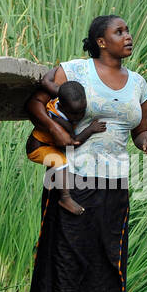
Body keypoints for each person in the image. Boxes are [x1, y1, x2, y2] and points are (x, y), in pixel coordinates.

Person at [22, 15, 147, 292]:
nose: (128, 36)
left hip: (115, 180)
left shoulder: (138, 84)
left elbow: (139, 130)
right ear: (101, 41)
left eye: (128, 31)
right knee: (66, 253)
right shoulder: (74, 71)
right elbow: (34, 103)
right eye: (119, 32)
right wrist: (55, 131)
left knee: (107, 256)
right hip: (70, 173)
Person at [25, 78, 107, 215]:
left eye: (82, 111)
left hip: (47, 144)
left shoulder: (62, 100)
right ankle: (65, 198)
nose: (79, 116)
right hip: (38, 148)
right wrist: (90, 129)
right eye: (74, 114)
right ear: (62, 107)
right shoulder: (60, 121)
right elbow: (72, 143)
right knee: (60, 161)